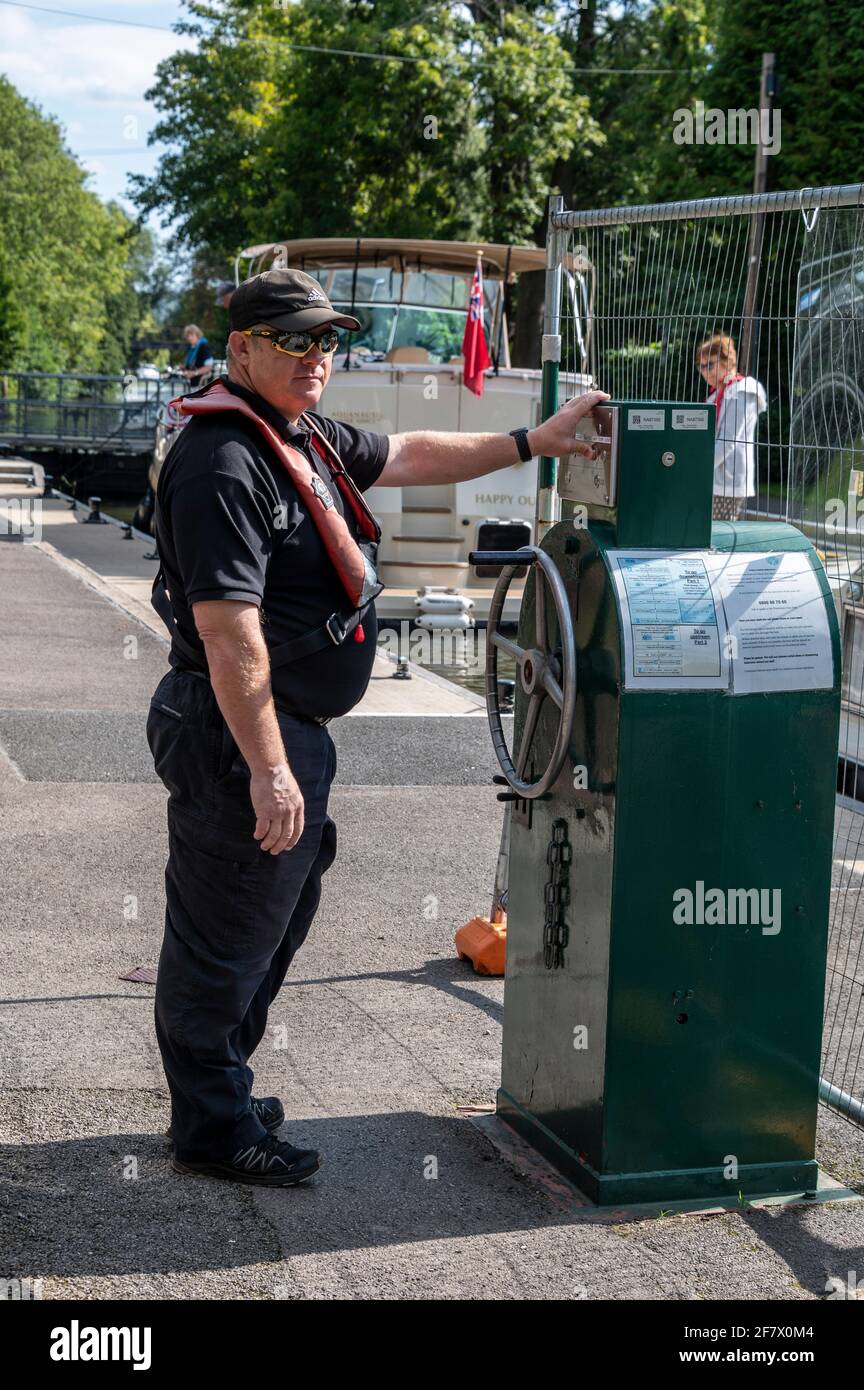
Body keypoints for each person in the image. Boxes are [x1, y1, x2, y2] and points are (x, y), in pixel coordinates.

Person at [148, 266, 608, 1187]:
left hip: (283, 725)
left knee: (276, 908)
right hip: (241, 731)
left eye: (326, 340)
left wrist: (534, 440)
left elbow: (408, 454)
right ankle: (210, 1124)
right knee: (225, 930)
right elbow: (228, 632)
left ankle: (222, 1089)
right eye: (293, 339)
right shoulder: (224, 461)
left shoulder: (297, 431)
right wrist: (269, 769)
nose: (316, 356)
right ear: (241, 348)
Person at [696, 333, 767, 520]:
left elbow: (728, 440)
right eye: (701, 367)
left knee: (718, 539)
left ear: (727, 362)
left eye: (710, 364)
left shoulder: (742, 390)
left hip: (729, 481)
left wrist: (699, 468)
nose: (705, 371)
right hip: (712, 479)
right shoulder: (715, 396)